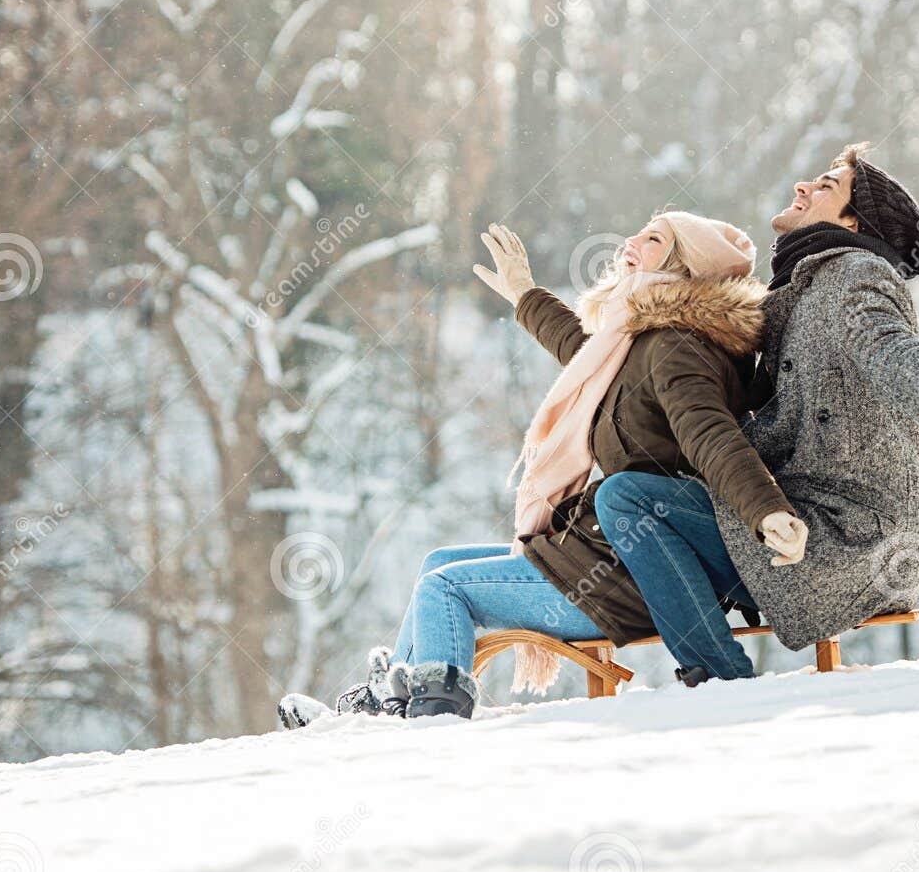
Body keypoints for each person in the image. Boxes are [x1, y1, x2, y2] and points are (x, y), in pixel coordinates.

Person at [278, 213, 805, 728]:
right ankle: (389, 702)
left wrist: (765, 511)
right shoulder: (642, 341)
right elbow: (584, 360)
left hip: (628, 575)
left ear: (681, 267)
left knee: (445, 588)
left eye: (653, 239)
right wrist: (525, 294)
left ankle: (431, 720)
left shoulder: (676, 347)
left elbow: (711, 436)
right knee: (438, 561)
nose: (631, 240)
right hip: (602, 552)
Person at [594, 144, 919, 682]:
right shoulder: (798, 292)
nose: (802, 187)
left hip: (846, 539)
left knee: (628, 499)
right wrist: (527, 297)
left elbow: (890, 354)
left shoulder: (854, 276)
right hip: (806, 526)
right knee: (635, 508)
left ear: (854, 223)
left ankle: (722, 683)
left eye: (826, 187)